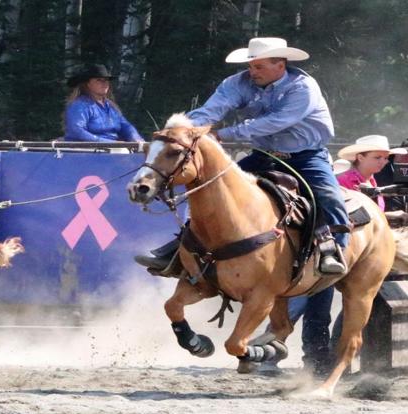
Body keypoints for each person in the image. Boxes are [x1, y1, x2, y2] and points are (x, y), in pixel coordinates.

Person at [135, 36, 348, 276]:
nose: (252, 71)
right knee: (215, 190)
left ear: (280, 65)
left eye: (258, 66)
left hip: (306, 156)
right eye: (250, 65)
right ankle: (179, 249)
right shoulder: (238, 83)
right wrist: (183, 130)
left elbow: (275, 122)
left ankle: (335, 249)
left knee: (328, 196)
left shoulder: (302, 87)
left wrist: (224, 133)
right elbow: (212, 109)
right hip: (264, 154)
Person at [62, 64, 142, 142]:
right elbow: (76, 131)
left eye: (106, 80)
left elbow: (125, 126)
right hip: (89, 152)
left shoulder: (110, 107)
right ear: (87, 84)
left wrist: (136, 139)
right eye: (99, 80)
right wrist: (109, 143)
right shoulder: (79, 105)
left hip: (113, 149)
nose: (105, 83)